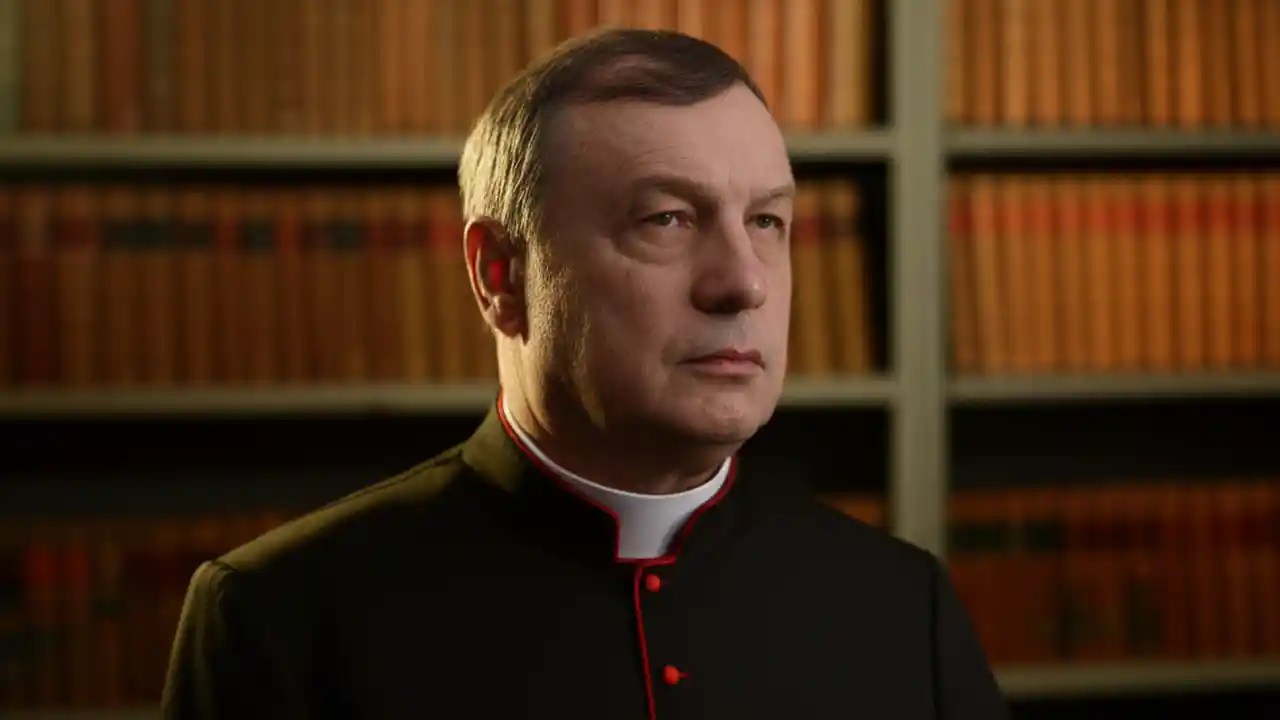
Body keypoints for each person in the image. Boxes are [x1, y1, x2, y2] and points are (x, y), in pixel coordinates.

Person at [161, 29, 1008, 719]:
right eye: (667, 218)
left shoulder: (902, 607)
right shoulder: (278, 620)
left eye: (766, 220)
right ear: (501, 274)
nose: (743, 280)